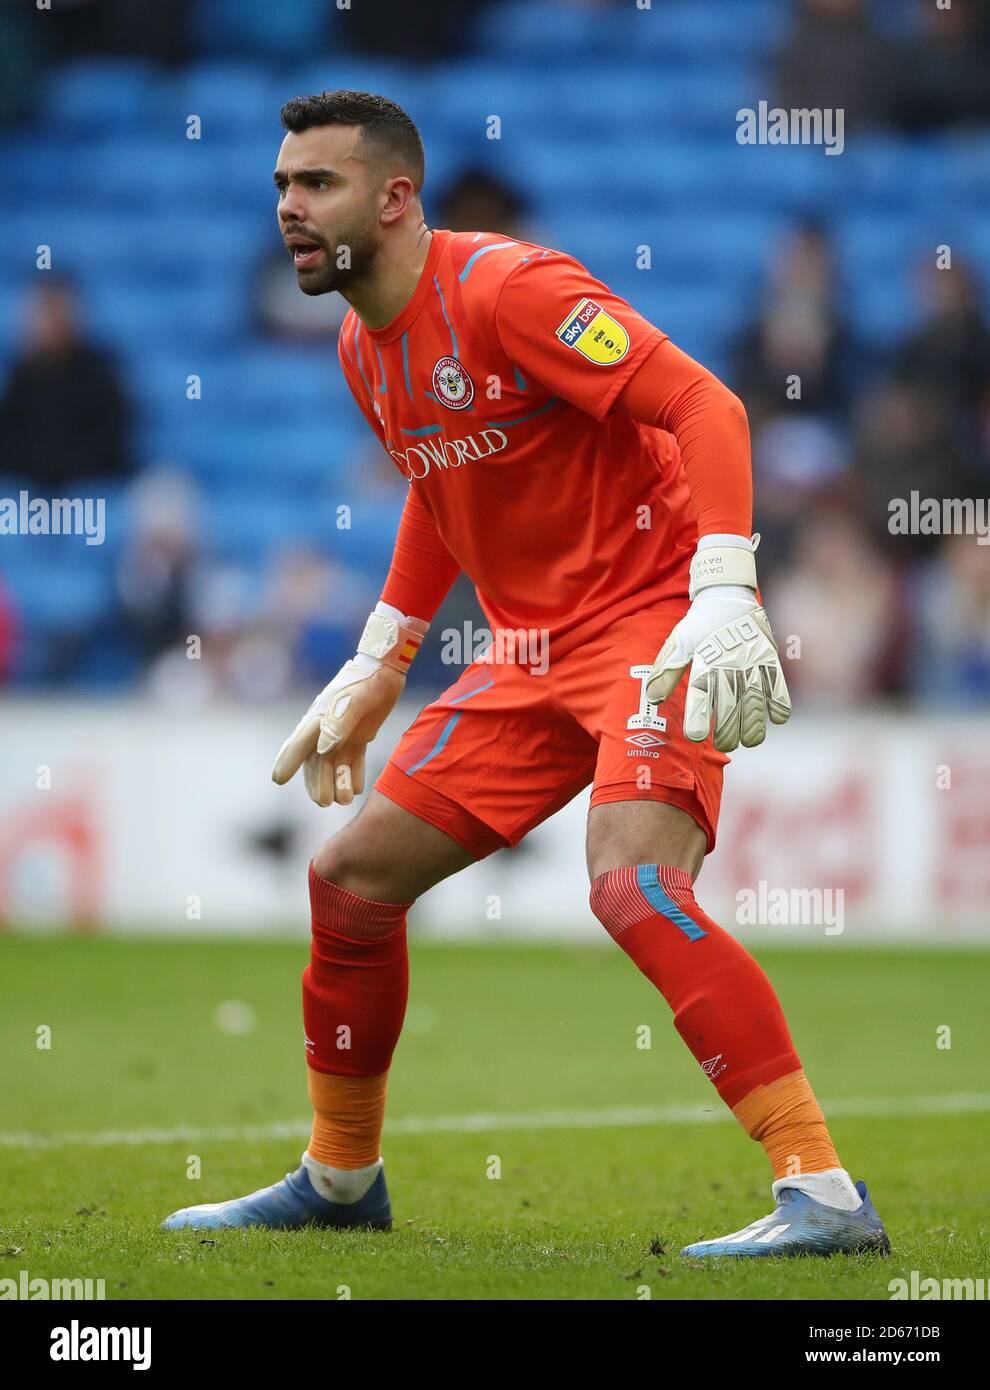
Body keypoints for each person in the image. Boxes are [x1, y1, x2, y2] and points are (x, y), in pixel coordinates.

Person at [162, 91, 889, 1258]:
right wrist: (379, 658)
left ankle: (825, 1192)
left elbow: (705, 402)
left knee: (633, 886)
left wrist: (724, 587)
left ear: (397, 197)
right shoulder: (363, 344)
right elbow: (443, 487)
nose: (290, 209)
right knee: (349, 878)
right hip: (528, 651)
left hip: (651, 624)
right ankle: (341, 1180)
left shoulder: (511, 290)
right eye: (283, 186)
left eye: (319, 186)